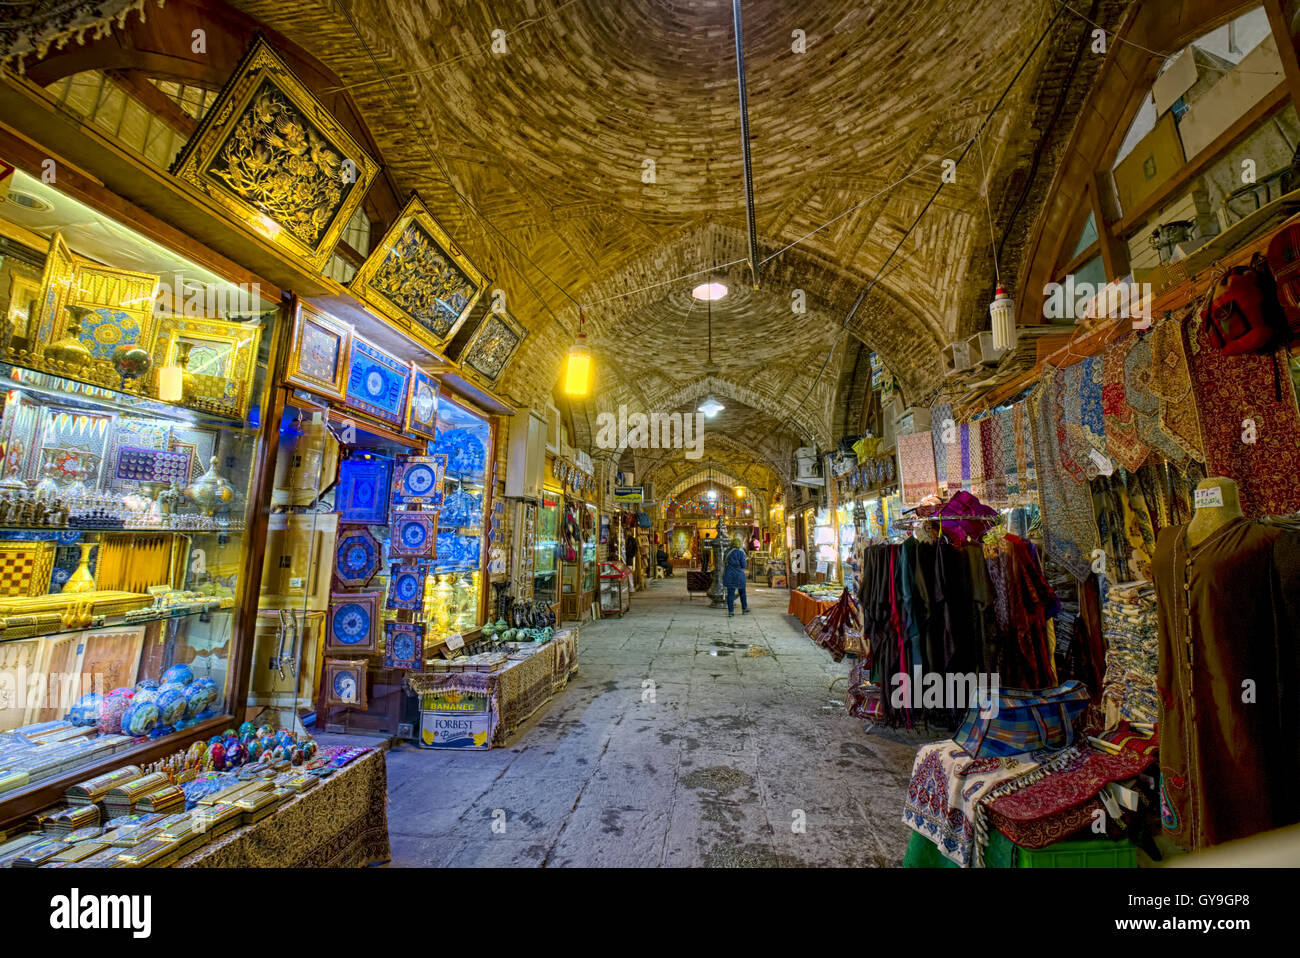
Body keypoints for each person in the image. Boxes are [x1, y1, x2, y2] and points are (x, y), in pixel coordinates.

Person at [722, 537, 749, 616]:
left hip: (729, 575)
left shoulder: (727, 552)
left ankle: (731, 612)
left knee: (730, 594)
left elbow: (724, 562)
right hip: (739, 575)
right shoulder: (741, 553)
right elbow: (744, 565)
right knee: (742, 593)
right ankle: (744, 609)